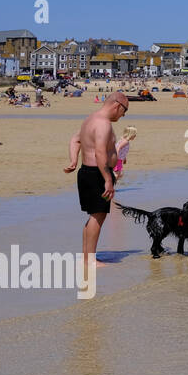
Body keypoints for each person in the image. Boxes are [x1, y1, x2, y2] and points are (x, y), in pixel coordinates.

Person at [64, 92, 129, 275]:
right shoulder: (103, 124)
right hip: (97, 174)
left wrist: (73, 160)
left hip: (86, 171)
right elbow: (100, 153)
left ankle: (87, 257)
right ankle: (90, 260)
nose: (123, 115)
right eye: (124, 111)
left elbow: (75, 139)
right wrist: (108, 179)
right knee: (98, 216)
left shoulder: (90, 119)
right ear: (117, 106)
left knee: (94, 216)